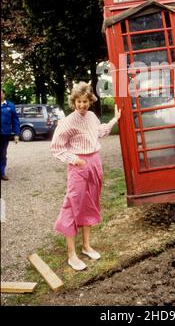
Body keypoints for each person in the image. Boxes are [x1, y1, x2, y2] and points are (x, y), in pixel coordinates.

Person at [51, 82, 121, 271]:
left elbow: (98, 132)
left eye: (85, 101)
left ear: (90, 101)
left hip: (95, 164)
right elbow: (56, 148)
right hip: (79, 167)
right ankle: (71, 254)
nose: (82, 105)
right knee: (72, 205)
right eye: (78, 102)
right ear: (73, 102)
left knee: (90, 203)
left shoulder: (91, 116)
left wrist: (114, 120)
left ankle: (86, 246)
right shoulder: (67, 122)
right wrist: (74, 159)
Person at [1, 89, 20, 181]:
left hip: (5, 134)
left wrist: (17, 134)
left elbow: (15, 120)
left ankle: (2, 173)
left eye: (1, 93)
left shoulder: (10, 105)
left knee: (3, 153)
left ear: (4, 94)